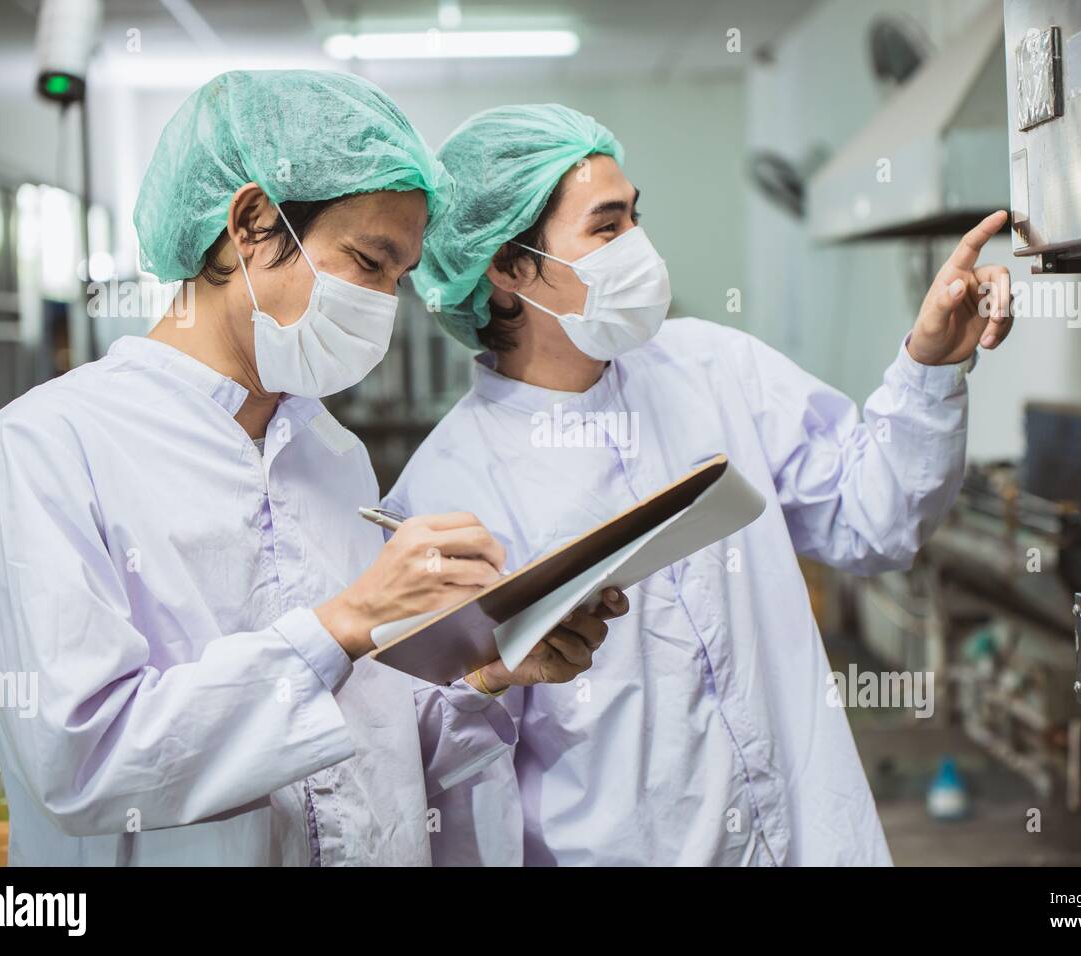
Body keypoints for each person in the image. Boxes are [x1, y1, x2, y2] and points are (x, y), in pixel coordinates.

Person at [0, 75, 623, 867]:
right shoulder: (46, 447)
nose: (386, 301)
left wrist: (484, 673)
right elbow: (82, 766)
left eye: (401, 277)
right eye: (369, 262)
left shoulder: (333, 455)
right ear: (251, 224)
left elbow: (364, 751)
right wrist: (344, 621)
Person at [388, 104, 1013, 865]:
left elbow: (873, 519)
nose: (639, 247)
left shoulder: (714, 370)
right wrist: (489, 676)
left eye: (635, 217)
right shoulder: (447, 489)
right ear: (511, 268)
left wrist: (929, 363)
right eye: (607, 227)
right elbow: (425, 756)